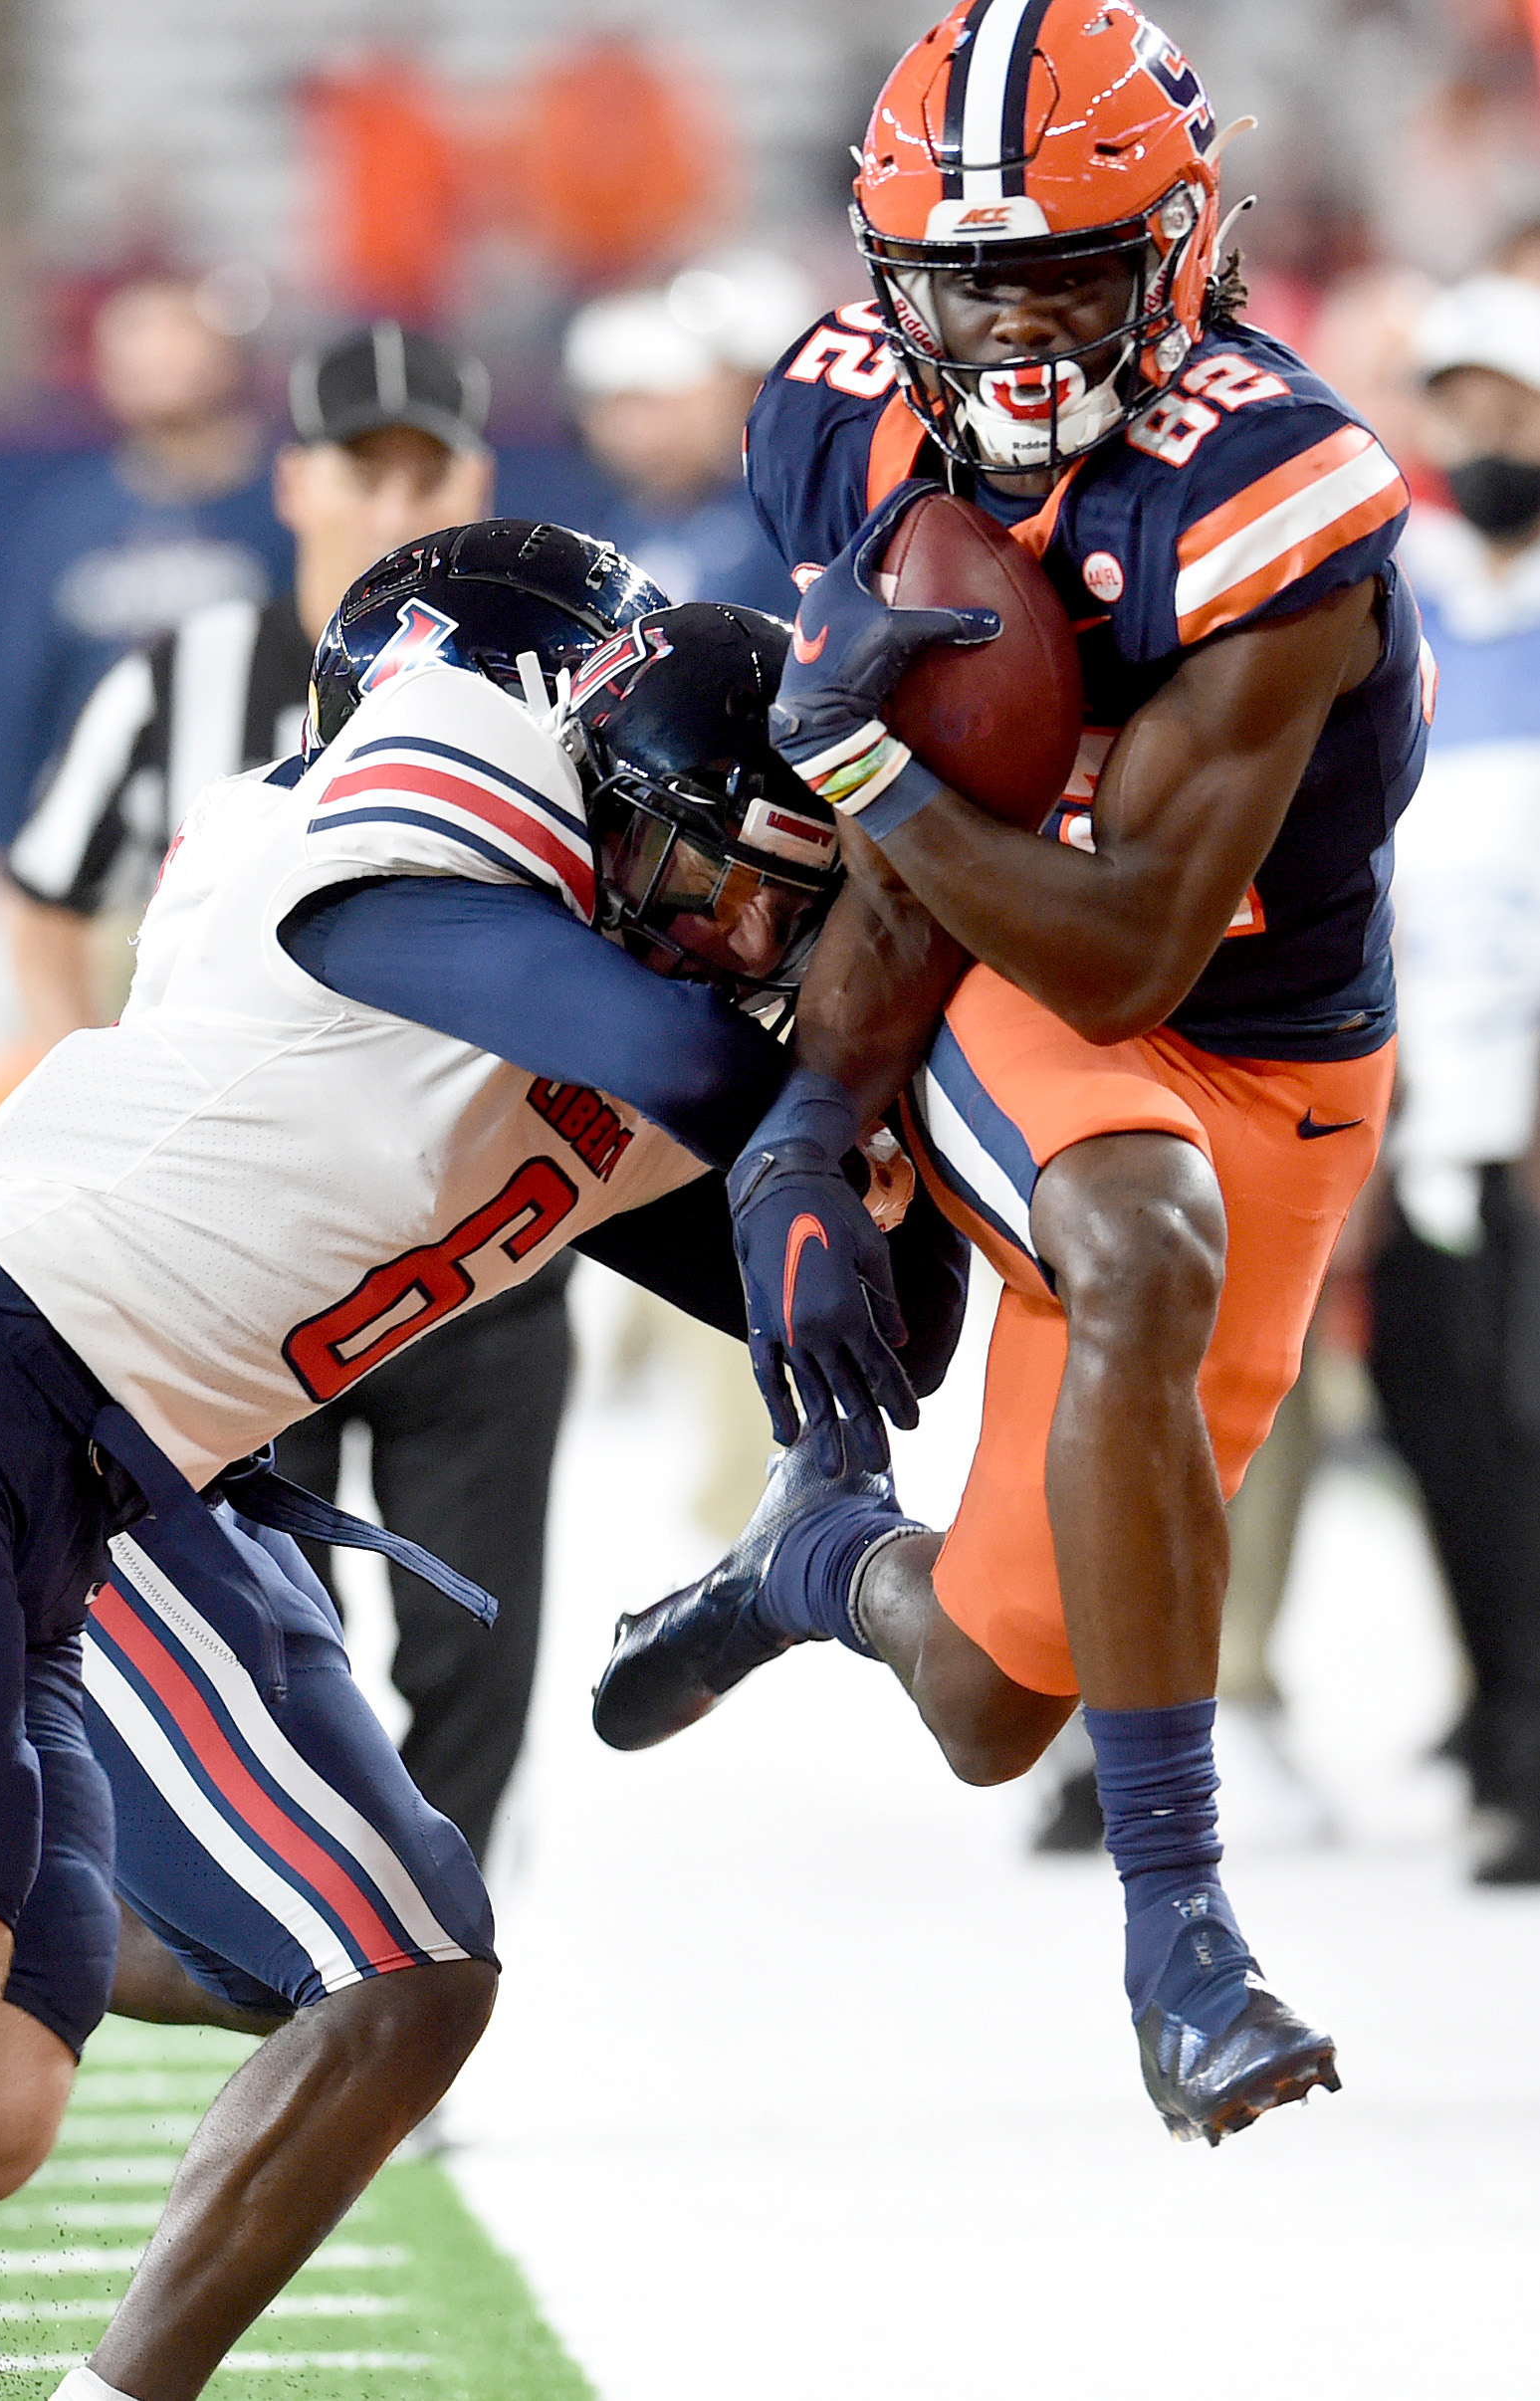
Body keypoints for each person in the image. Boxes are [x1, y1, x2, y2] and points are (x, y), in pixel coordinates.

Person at [0, 531, 966, 2400]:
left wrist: (878, 1024)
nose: (740, 940)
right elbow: (553, 994)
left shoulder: (661, 1026)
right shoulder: (408, 813)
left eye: (788, 915)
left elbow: (904, 1316)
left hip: (123, 1495)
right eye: (726, 882)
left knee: (23, 2092)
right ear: (601, 781)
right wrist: (821, 1074)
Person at [594, 0, 1429, 2148]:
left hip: (1248, 1035)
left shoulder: (1276, 486)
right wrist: (806, 1110)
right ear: (891, 279)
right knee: (1129, 1243)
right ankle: (1185, 1938)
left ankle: (814, 1570)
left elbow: (1130, 933)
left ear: (1188, 239)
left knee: (981, 1692)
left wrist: (864, 752)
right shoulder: (842, 422)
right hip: (1021, 994)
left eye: (1072, 259)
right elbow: (924, 868)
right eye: (972, 277)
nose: (1023, 324)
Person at [7, 327, 555, 1878]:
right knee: (239, 1626)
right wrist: (88, 1095)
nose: (392, 500)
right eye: (361, 465)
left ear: (475, 484)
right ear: (293, 477)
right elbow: (44, 896)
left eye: (423, 469)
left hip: (482, 1252)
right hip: (244, 1251)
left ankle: (427, 1944)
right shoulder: (183, 678)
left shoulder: (558, 690)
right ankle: (299, 1922)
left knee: (475, 1640)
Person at [1370, 271, 1540, 1884]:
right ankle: (1499, 1719)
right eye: (1459, 405)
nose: (1483, 436)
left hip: (1527, 1099)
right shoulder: (1400, 600)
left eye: (1512, 405)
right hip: (1416, 1091)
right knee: (1445, 1427)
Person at [0, 274, 291, 866]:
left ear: (225, 355)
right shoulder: (72, 518)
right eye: (132, 340)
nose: (155, 358)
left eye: (175, 334)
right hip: (97, 837)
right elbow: (24, 690)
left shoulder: (288, 500)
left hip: (248, 831)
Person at [562, 285, 802, 616]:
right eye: (621, 409)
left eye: (656, 406)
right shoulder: (629, 527)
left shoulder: (783, 514)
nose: (637, 432)